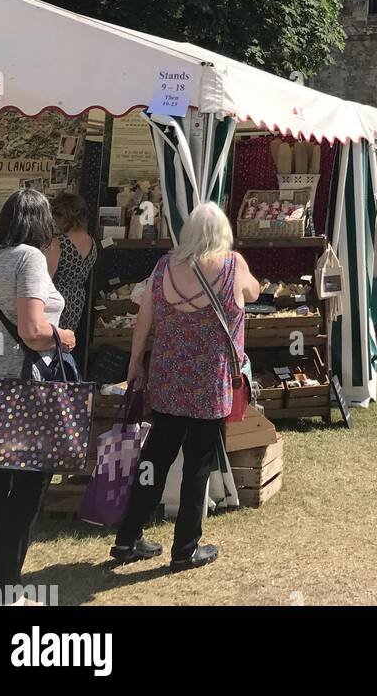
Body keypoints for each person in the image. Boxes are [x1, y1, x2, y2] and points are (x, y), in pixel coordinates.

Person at [111, 202, 260, 572]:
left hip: (167, 379)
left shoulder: (163, 267)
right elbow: (254, 292)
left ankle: (128, 537)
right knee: (197, 465)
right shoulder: (232, 264)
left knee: (155, 460)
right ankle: (185, 548)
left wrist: (134, 363)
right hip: (209, 383)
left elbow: (144, 317)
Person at [0, 189, 76, 596]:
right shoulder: (30, 258)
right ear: (38, 222)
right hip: (25, 396)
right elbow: (32, 331)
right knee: (26, 494)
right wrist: (63, 336)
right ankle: (4, 586)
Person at [45, 191, 97, 333]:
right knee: (65, 343)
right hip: (77, 299)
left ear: (65, 216)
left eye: (56, 217)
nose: (55, 222)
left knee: (51, 342)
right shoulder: (91, 242)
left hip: (57, 299)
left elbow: (45, 280)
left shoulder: (58, 244)